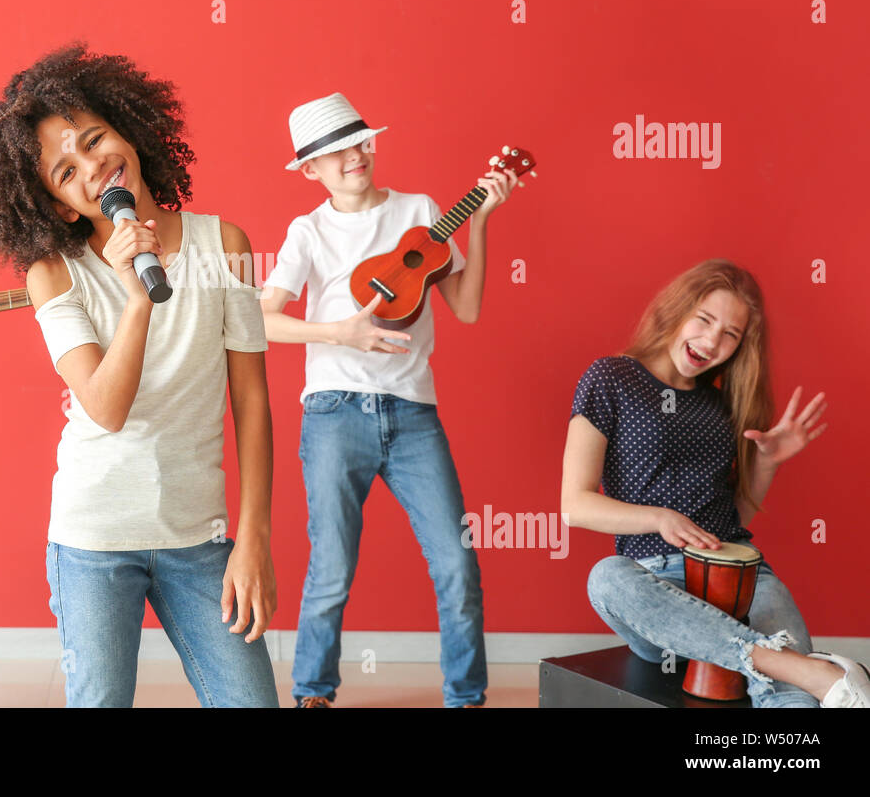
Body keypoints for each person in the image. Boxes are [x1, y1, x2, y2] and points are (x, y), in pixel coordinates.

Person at [0, 42, 279, 707]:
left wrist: (255, 539)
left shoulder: (228, 245)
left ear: (129, 131)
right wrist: (135, 296)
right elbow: (105, 406)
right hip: (94, 538)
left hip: (200, 535)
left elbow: (251, 398)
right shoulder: (54, 274)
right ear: (62, 206)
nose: (94, 166)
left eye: (96, 139)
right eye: (67, 172)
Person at [260, 92, 519, 707]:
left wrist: (481, 221)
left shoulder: (421, 212)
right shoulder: (308, 230)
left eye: (358, 141)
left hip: (411, 412)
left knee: (457, 564)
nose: (354, 155)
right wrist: (338, 333)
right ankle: (312, 694)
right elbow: (263, 319)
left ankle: (466, 697)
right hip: (332, 413)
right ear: (310, 171)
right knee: (332, 567)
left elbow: (469, 306)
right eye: (335, 152)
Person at [562, 258, 868, 707]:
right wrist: (659, 518)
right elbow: (574, 505)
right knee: (605, 578)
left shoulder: (722, 404)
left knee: (796, 702)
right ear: (676, 310)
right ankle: (794, 665)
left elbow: (733, 518)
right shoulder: (611, 379)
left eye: (731, 334)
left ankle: (779, 672)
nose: (711, 341)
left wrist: (767, 462)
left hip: (741, 578)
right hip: (653, 588)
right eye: (704, 320)